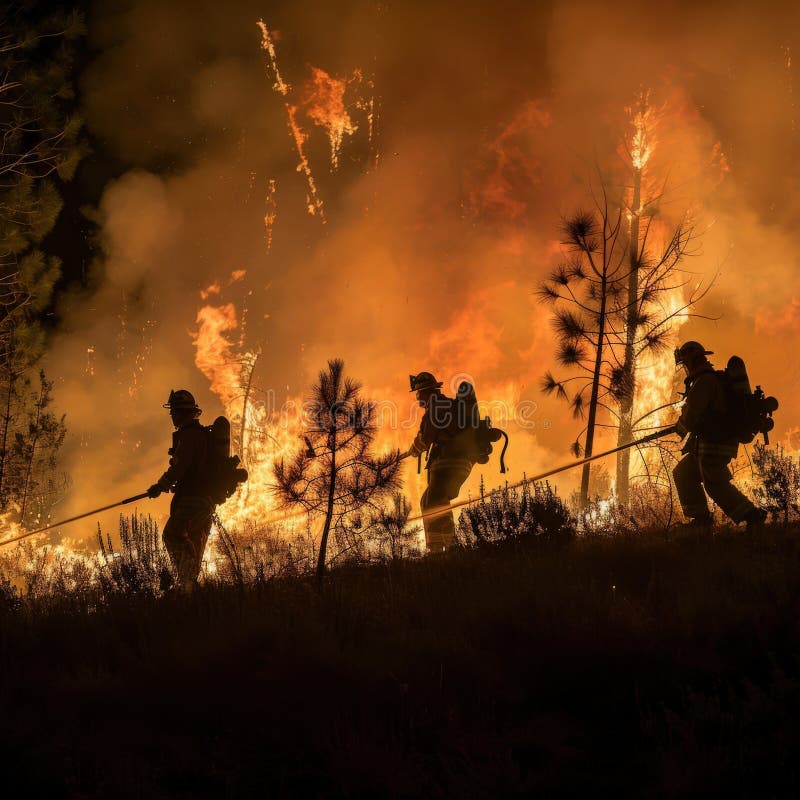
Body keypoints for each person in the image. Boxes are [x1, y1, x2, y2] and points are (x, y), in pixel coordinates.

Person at [672, 342, 767, 530]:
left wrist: (679, 428)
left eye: (685, 362)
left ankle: (752, 515)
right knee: (684, 473)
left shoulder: (704, 381)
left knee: (715, 485)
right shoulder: (706, 379)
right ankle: (701, 520)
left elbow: (691, 416)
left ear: (691, 360)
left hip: (716, 443)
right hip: (708, 443)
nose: (685, 366)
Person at [402, 372, 477, 551]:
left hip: (447, 461)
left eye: (418, 394)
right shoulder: (450, 405)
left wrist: (414, 448)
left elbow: (425, 438)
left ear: (425, 392)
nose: (418, 399)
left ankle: (438, 549)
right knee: (435, 500)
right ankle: (449, 545)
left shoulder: (435, 408)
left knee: (431, 503)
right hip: (463, 461)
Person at [148, 390, 214, 587]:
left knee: (172, 535)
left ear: (181, 412)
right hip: (205, 501)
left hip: (192, 499)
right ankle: (190, 591)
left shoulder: (189, 436)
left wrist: (159, 486)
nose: (172, 416)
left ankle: (186, 584)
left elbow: (180, 467)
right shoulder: (201, 435)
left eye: (174, 412)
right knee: (193, 543)